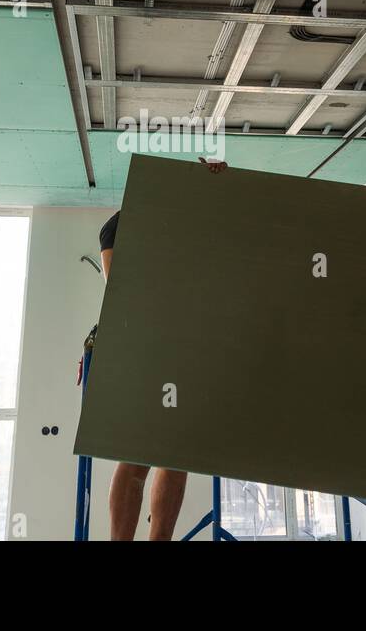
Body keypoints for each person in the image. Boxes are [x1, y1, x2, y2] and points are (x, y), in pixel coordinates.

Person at [97, 158, 226, 540]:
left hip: (187, 346)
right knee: (137, 457)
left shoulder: (186, 227)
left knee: (175, 457)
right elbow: (120, 290)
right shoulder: (121, 224)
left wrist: (218, 182)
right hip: (147, 347)